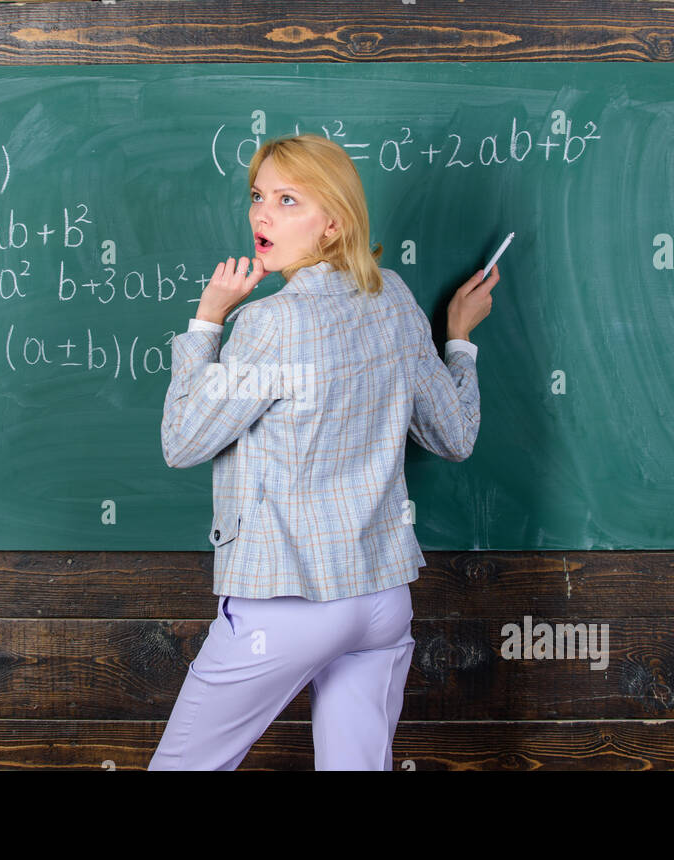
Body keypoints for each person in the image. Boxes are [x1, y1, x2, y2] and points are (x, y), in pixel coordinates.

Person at [149, 133, 498, 770]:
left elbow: (182, 442)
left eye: (288, 200)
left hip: (289, 603)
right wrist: (460, 339)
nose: (261, 215)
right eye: (259, 196)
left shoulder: (270, 323)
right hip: (382, 600)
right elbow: (454, 437)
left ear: (333, 223)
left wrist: (207, 320)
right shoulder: (391, 297)